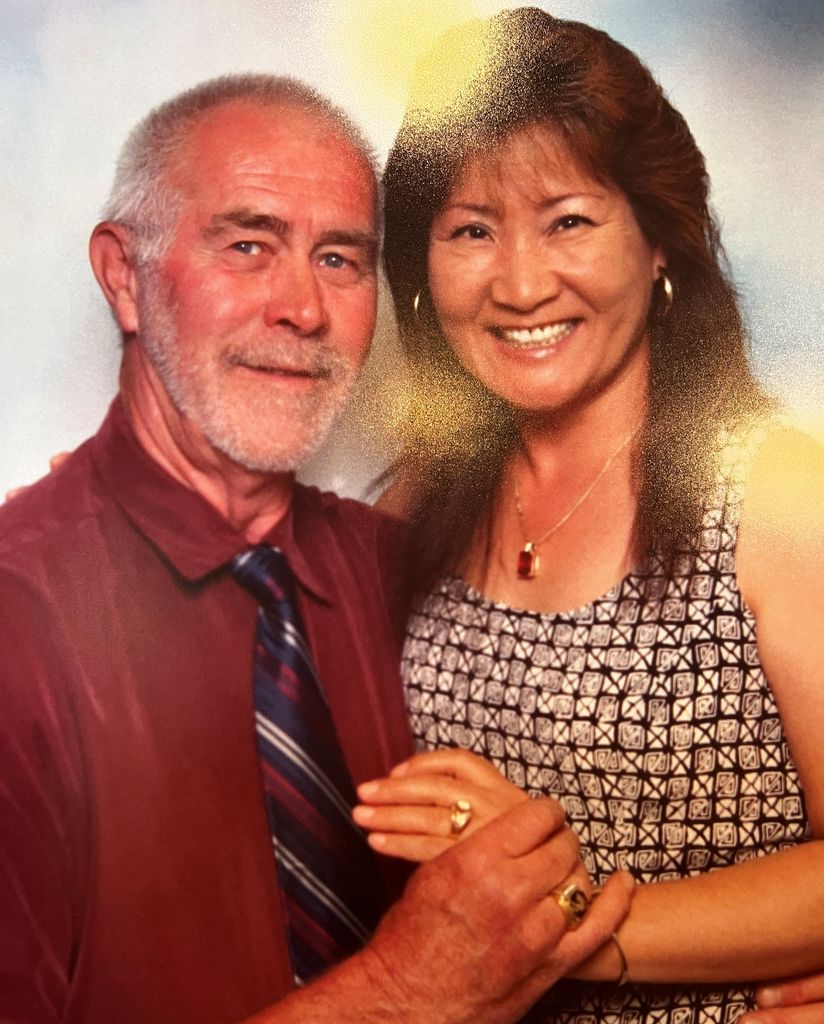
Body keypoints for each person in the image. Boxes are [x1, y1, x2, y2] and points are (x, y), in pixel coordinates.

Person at [0, 74, 633, 1024]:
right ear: (124, 275)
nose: (303, 308)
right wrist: (402, 993)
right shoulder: (21, 618)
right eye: (248, 245)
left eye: (339, 258)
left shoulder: (409, 569)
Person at [354, 9, 824, 1023]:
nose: (522, 284)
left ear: (657, 241)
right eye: (471, 230)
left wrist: (562, 920)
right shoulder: (418, 502)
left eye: (568, 220)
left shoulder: (775, 493)